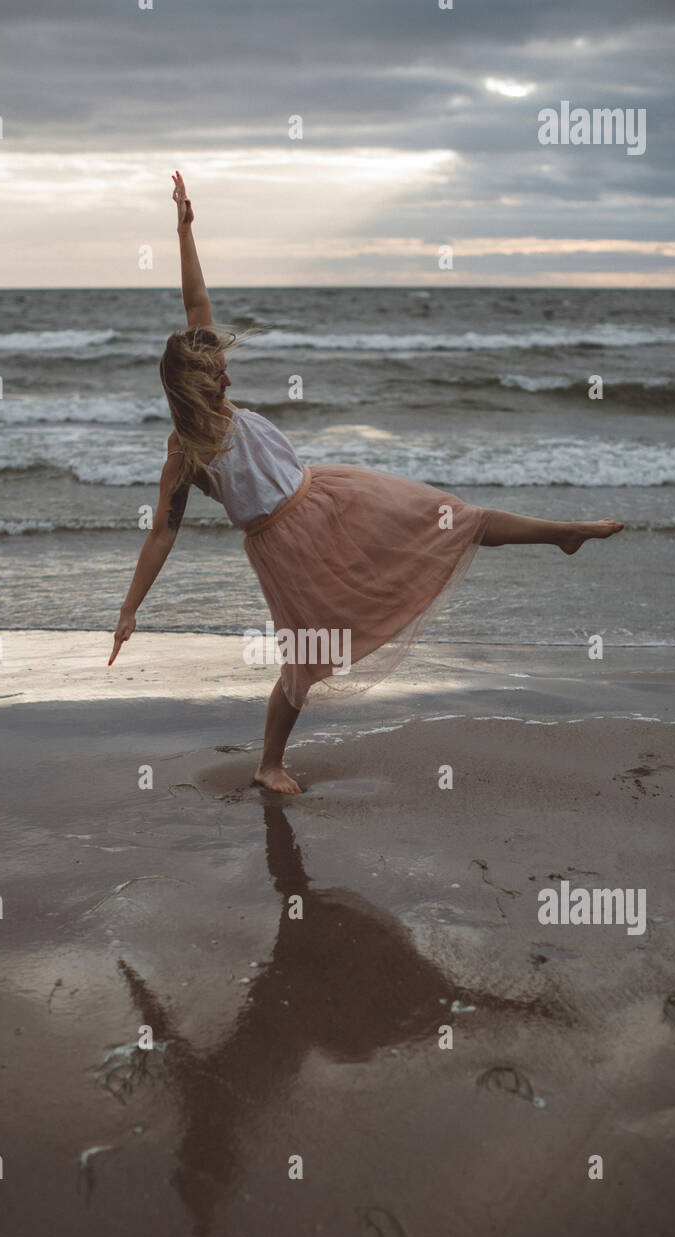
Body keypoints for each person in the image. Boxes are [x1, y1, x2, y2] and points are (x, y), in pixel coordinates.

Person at [110, 172, 623, 794]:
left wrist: (185, 229)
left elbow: (196, 303)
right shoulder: (184, 454)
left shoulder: (213, 380)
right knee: (303, 664)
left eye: (222, 367)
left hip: (330, 494)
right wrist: (131, 608)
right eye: (215, 376)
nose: (226, 379)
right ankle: (269, 763)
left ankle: (564, 534)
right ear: (189, 387)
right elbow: (162, 534)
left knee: (450, 516)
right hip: (285, 545)